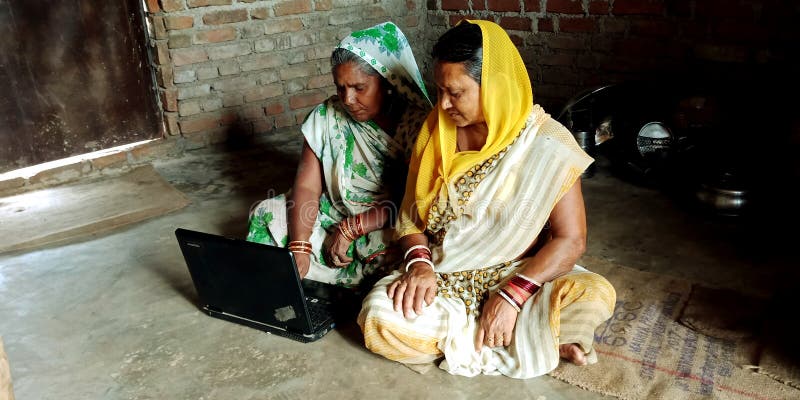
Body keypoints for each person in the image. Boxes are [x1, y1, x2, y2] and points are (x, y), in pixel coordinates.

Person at [357, 20, 616, 378]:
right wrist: (419, 266)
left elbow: (571, 240)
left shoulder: (546, 143)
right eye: (439, 90)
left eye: (456, 92)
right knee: (378, 316)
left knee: (594, 294)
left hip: (517, 273)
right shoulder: (437, 132)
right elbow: (410, 217)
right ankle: (530, 338)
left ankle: (505, 328)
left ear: (494, 86)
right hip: (444, 274)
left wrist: (512, 296)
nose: (443, 104)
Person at [246, 22, 432, 287]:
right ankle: (312, 272)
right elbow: (307, 185)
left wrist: (352, 228)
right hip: (332, 210)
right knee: (267, 213)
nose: (347, 99)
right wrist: (300, 246)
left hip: (383, 220)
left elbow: (411, 200)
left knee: (401, 250)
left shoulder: (417, 126)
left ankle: (337, 282)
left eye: (359, 88)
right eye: (340, 87)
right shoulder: (326, 116)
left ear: (388, 82)